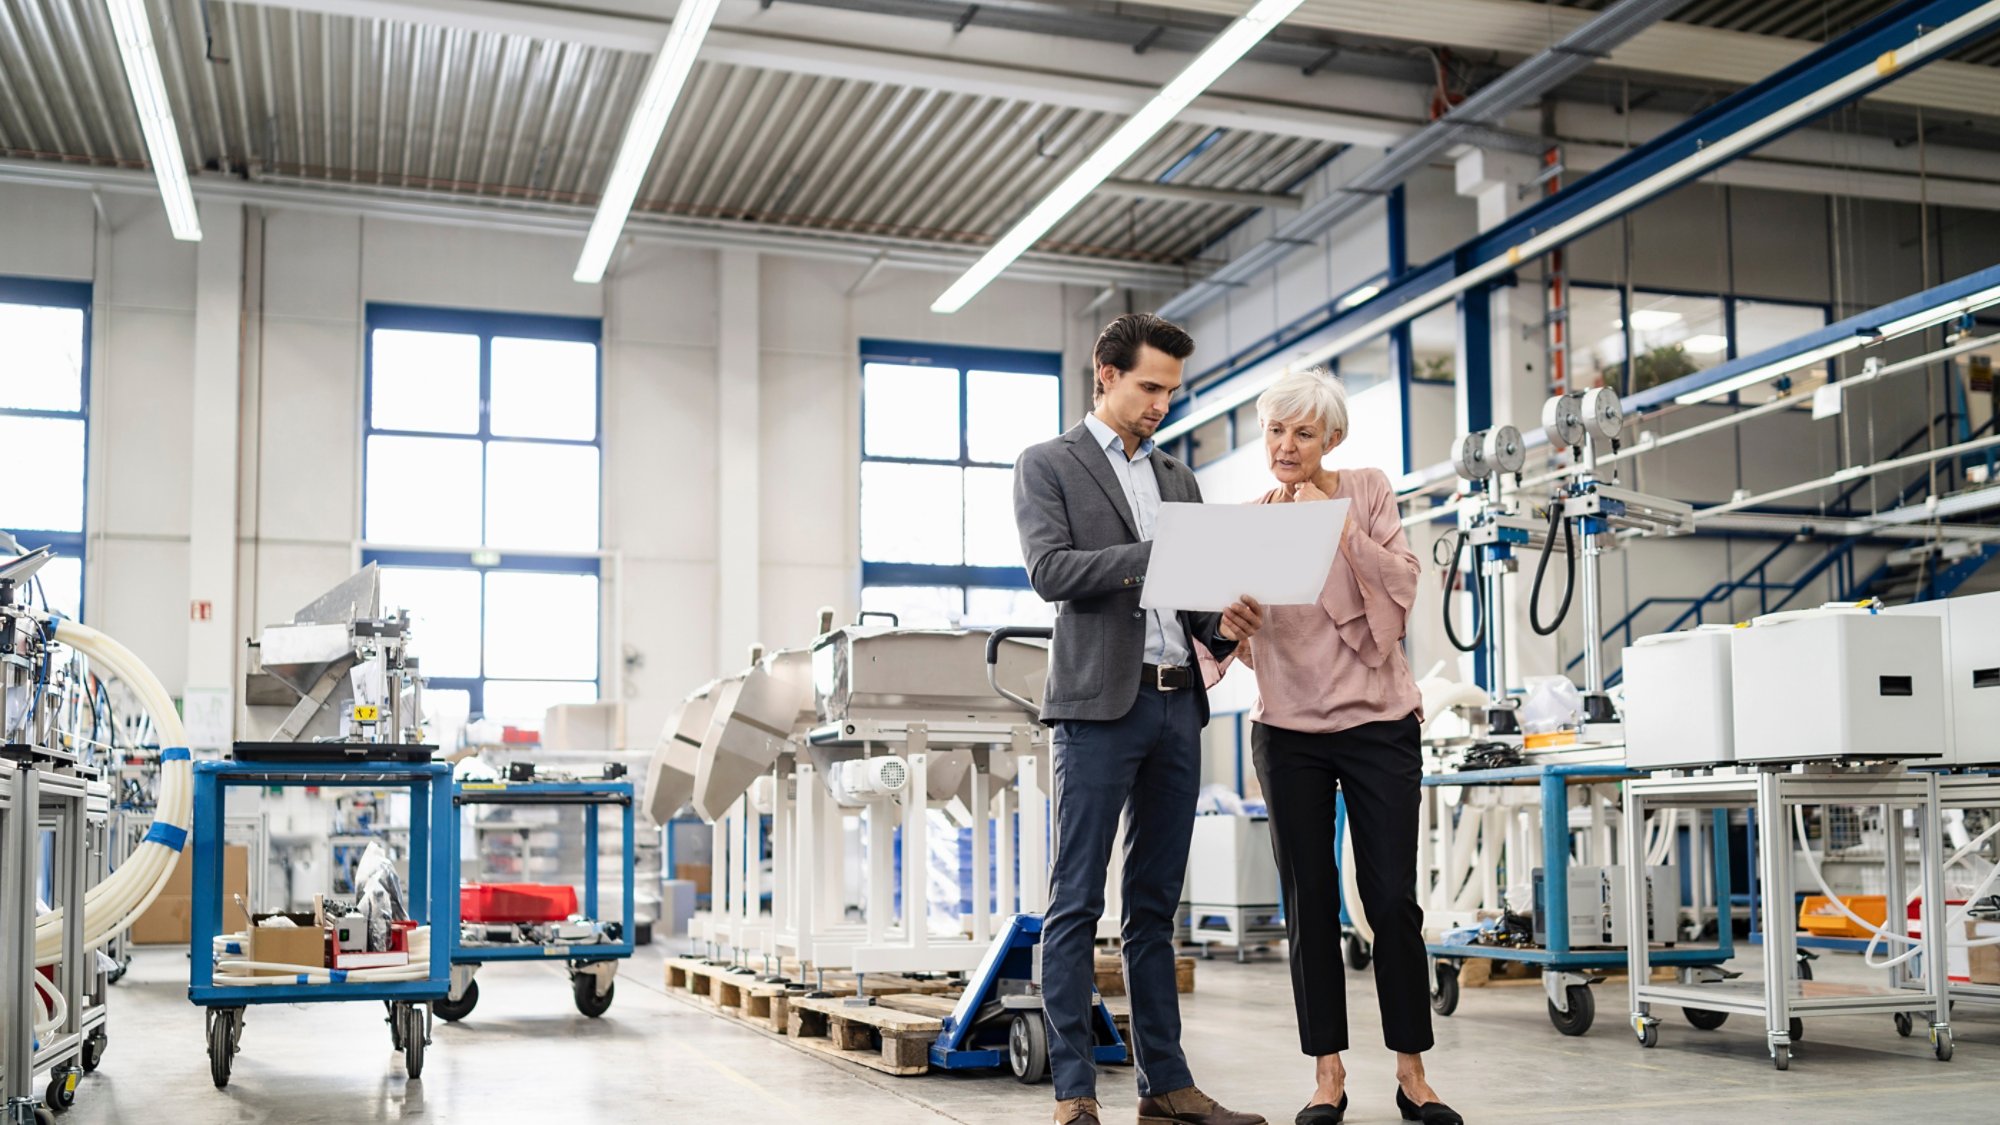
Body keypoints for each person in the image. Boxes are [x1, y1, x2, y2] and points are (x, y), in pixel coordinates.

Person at [1013, 313, 1267, 1125]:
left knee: (1155, 903)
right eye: (1150, 387)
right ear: (1105, 374)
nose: (1161, 404)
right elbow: (1051, 571)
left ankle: (1167, 1083)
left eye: (1171, 391)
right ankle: (1075, 1091)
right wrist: (1149, 555)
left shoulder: (1181, 481)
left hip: (1174, 705)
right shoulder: (1048, 464)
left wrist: (1228, 623)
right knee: (1076, 900)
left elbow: (1195, 614)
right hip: (1095, 707)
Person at [1205, 367, 1461, 1125]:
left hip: (1380, 725)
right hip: (1287, 734)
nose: (1286, 446)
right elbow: (1229, 642)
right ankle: (1327, 1074)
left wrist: (1336, 525)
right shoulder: (1252, 519)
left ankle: (1413, 1073)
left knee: (1391, 901)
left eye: (1303, 433)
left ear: (1332, 440)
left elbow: (1404, 586)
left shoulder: (1370, 489)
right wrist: (1234, 624)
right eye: (1275, 431)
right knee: (1310, 903)